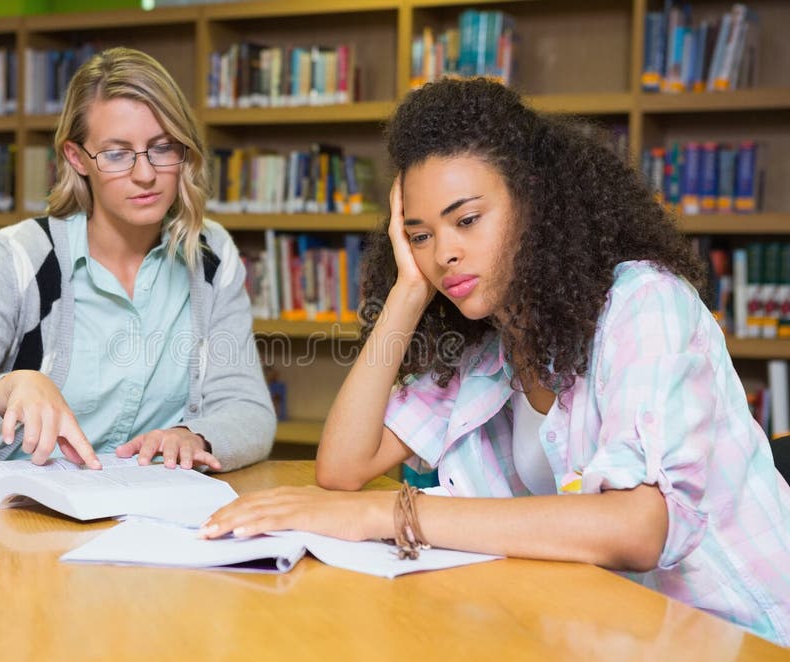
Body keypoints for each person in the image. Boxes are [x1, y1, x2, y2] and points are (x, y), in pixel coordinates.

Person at [201, 78, 790, 645]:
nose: (446, 253)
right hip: (611, 628)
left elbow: (639, 527)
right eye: (420, 236)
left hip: (736, 634)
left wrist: (394, 512)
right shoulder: (489, 341)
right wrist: (408, 290)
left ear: (535, 203)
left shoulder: (643, 301)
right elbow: (342, 468)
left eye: (466, 220)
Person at [0, 48, 275, 472]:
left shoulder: (210, 255)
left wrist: (194, 437)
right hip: (20, 518)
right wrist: (7, 389)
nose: (145, 175)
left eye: (162, 148)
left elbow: (249, 410)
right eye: (117, 154)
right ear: (76, 158)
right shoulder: (18, 257)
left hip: (149, 517)